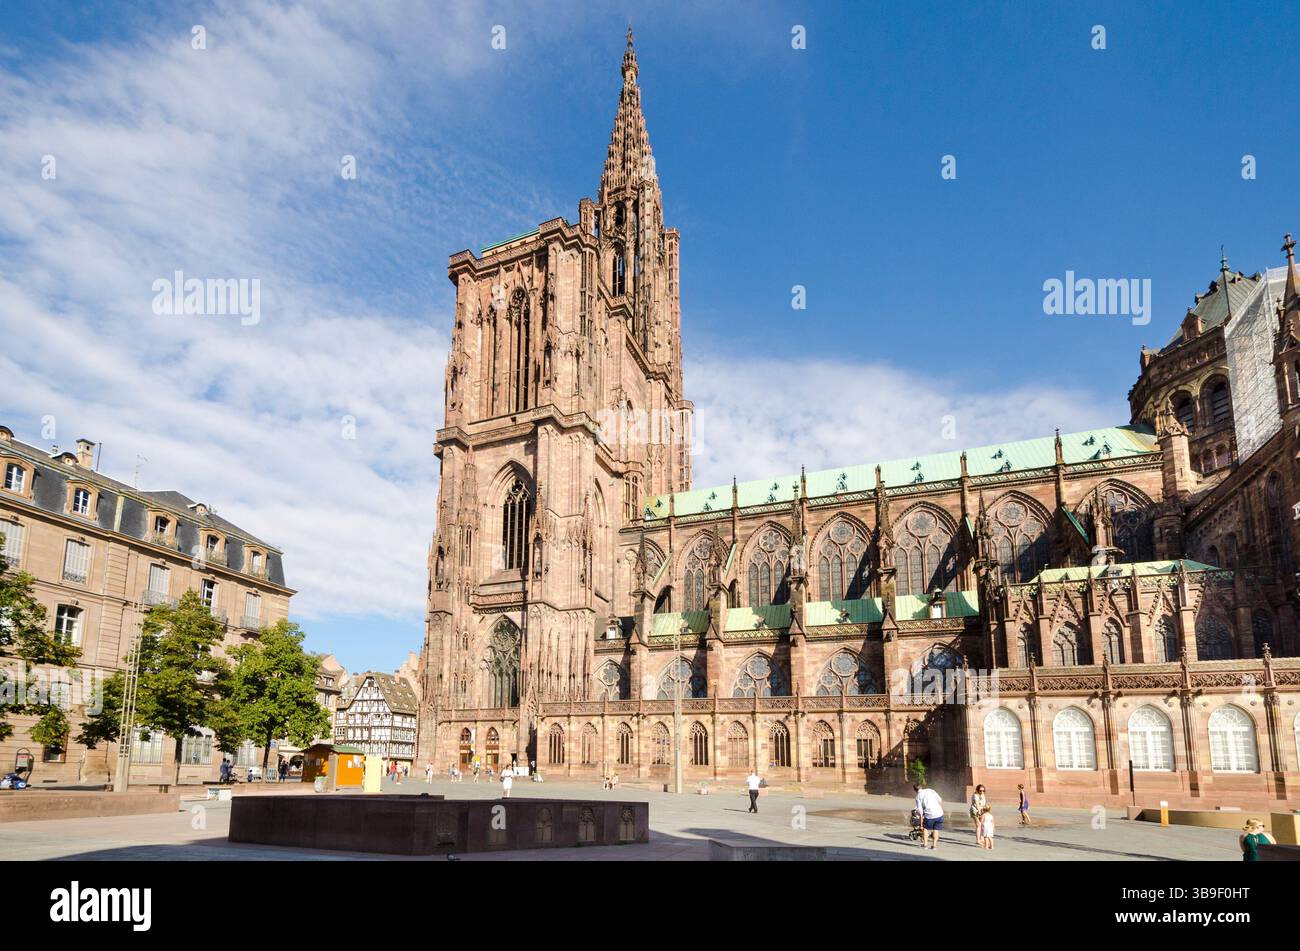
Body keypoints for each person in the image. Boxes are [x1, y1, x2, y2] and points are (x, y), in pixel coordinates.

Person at [914, 781, 944, 850]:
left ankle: (925, 845)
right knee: (936, 829)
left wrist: (921, 823)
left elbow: (920, 811)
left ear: (915, 790)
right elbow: (940, 800)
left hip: (929, 815)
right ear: (921, 787)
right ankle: (934, 846)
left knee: (925, 828)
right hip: (939, 813)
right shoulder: (930, 790)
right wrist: (939, 808)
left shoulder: (918, 797)